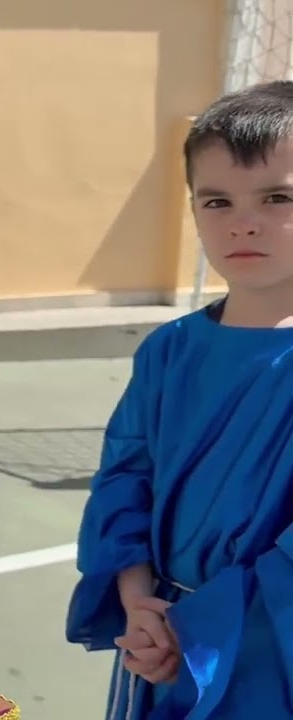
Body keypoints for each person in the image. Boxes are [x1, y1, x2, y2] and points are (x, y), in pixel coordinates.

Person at [67, 80, 293, 719]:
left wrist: (200, 629)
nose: (243, 221)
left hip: (265, 654)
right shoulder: (168, 352)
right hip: (161, 638)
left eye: (278, 196)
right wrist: (139, 603)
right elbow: (124, 479)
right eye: (216, 200)